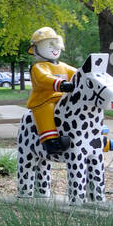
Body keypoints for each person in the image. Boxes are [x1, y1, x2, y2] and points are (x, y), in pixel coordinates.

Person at [25, 26, 77, 155]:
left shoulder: (63, 66)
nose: (54, 49)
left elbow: (77, 74)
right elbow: (44, 79)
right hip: (44, 99)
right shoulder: (38, 67)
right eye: (49, 45)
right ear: (36, 49)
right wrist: (62, 84)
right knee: (46, 109)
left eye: (56, 45)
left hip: (63, 98)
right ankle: (50, 140)